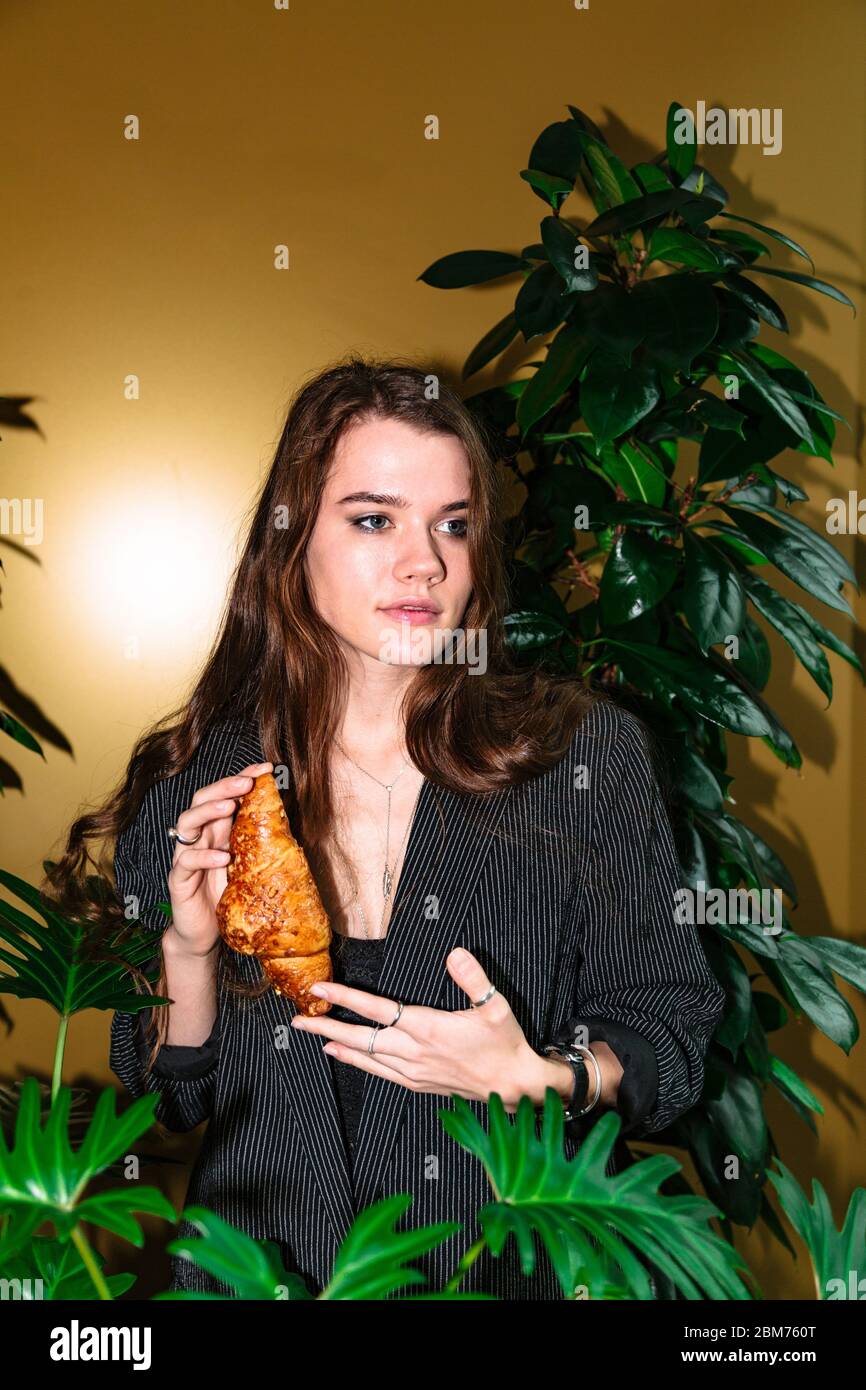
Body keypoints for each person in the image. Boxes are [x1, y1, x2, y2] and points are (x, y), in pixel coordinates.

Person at [51, 356, 725, 1300]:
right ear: (290, 542)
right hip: (256, 1281)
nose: (427, 562)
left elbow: (672, 1031)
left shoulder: (580, 756)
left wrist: (551, 1079)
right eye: (374, 519)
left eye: (453, 524)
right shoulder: (194, 779)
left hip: (496, 1278)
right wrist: (192, 957)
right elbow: (169, 1106)